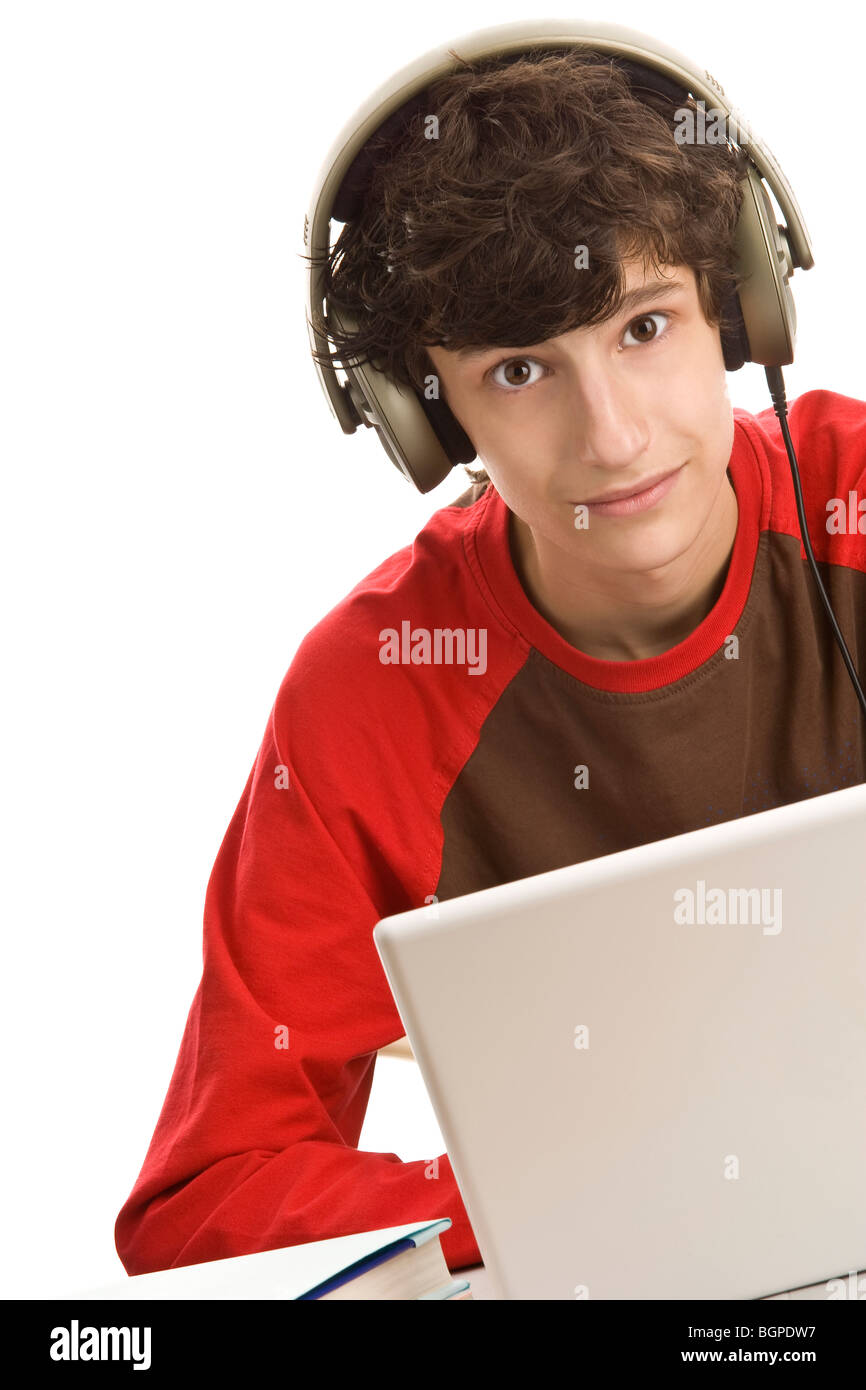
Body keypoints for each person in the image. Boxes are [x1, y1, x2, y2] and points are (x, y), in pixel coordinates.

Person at [114, 45, 865, 1278]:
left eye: (642, 326)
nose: (612, 437)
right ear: (422, 415)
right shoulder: (371, 694)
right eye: (519, 370)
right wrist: (570, 1190)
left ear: (739, 305)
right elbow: (206, 1202)